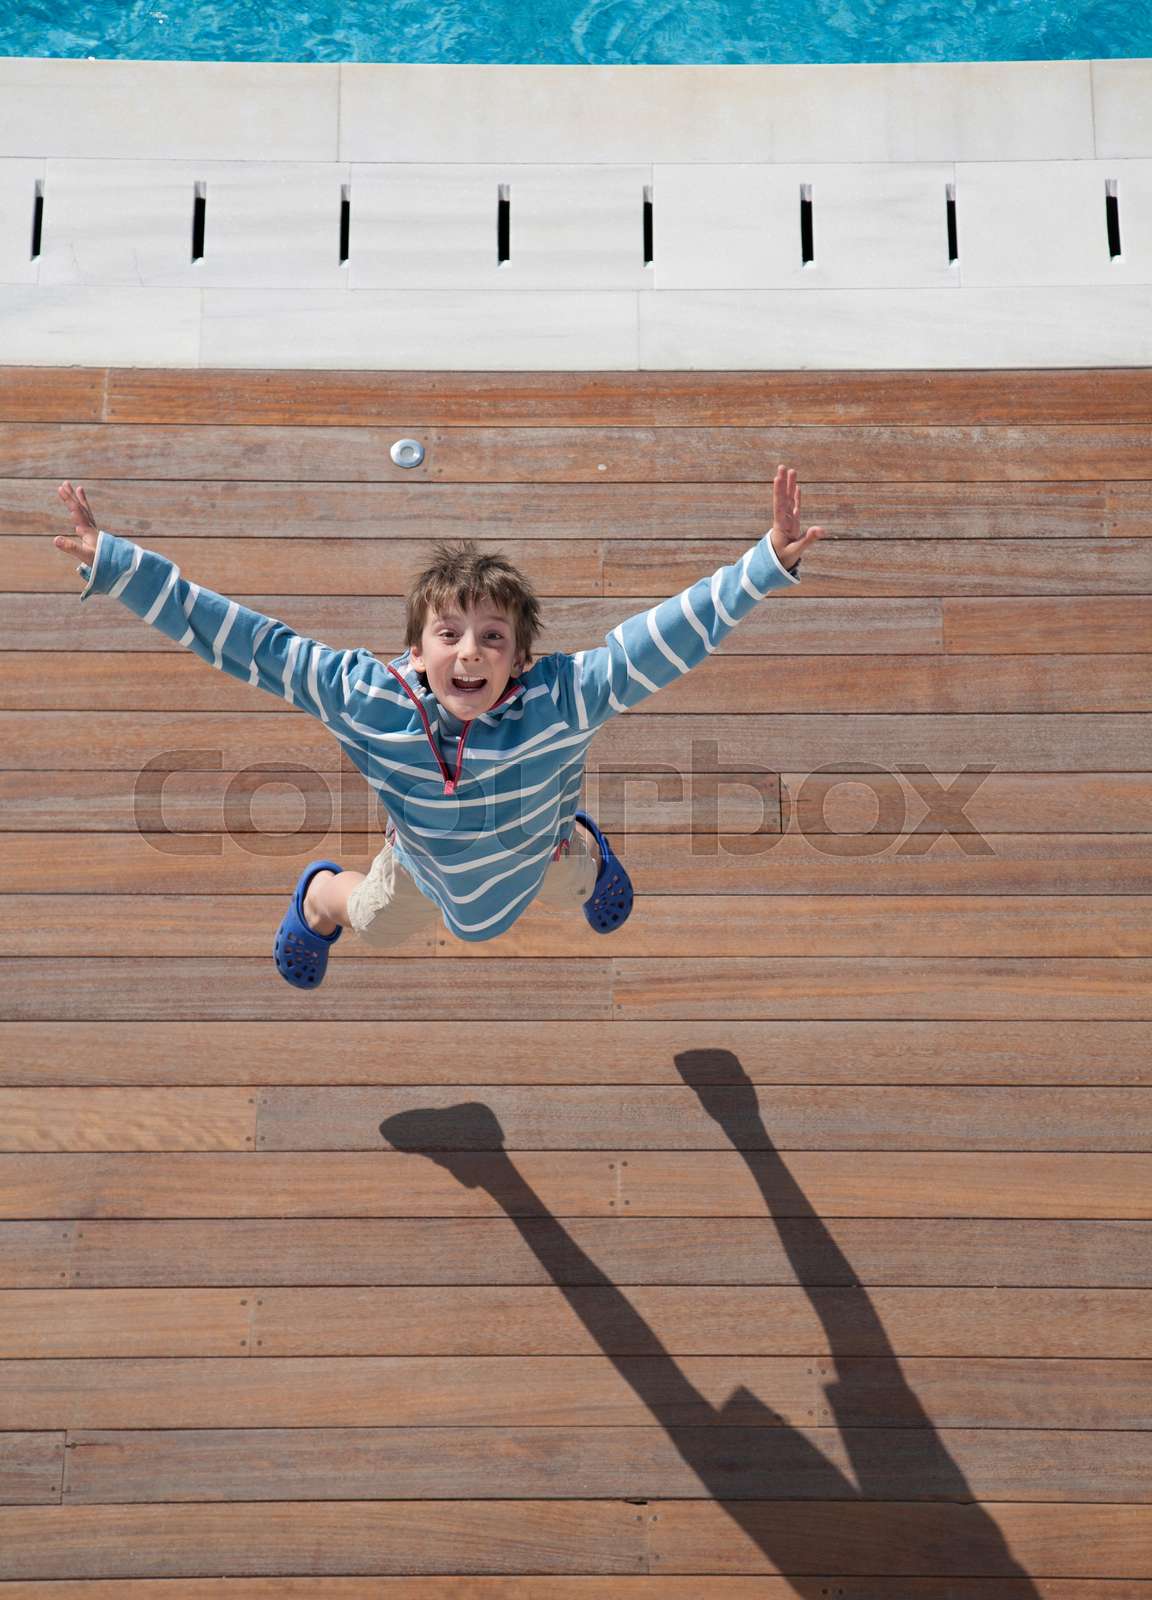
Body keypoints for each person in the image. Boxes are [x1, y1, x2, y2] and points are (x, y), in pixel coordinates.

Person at [53, 467, 823, 986]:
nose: (469, 650)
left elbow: (660, 641)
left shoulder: (565, 699)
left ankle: (586, 844)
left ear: (521, 658)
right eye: (449, 633)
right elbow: (252, 643)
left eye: (493, 636)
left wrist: (763, 565)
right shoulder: (363, 696)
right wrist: (123, 566)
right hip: (423, 874)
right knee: (372, 924)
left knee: (573, 878)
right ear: (415, 654)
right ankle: (319, 897)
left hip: (539, 854)